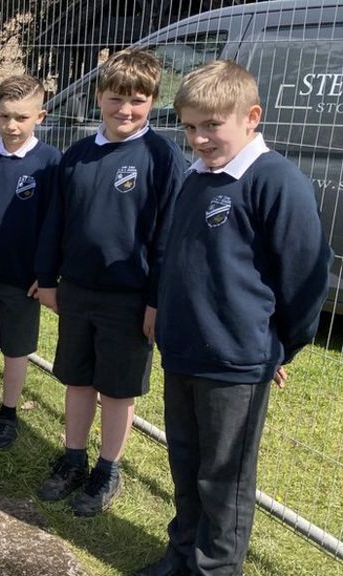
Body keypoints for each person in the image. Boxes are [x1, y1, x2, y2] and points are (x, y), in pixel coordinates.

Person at [136, 60, 331, 576]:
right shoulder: (196, 178)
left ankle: (215, 567)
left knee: (224, 478)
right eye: (191, 127)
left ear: (251, 116)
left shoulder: (275, 182)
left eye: (212, 125)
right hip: (182, 351)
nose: (199, 139)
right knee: (185, 462)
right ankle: (180, 557)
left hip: (235, 361)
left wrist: (275, 347)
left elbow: (305, 281)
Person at [34, 49, 185, 516]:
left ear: (153, 101)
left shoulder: (162, 156)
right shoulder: (77, 156)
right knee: (77, 379)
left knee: (117, 388)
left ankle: (107, 468)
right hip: (77, 289)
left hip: (130, 297)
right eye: (117, 97)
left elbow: (167, 238)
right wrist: (48, 279)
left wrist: (156, 301)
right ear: (99, 97)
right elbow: (55, 221)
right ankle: (74, 457)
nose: (126, 109)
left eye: (138, 100)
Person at [0, 74, 60, 449]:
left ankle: (9, 412)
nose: (11, 125)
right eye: (4, 117)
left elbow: (55, 222)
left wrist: (46, 272)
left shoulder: (50, 163)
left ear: (40, 116)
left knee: (16, 349)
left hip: (24, 280)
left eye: (21, 117)